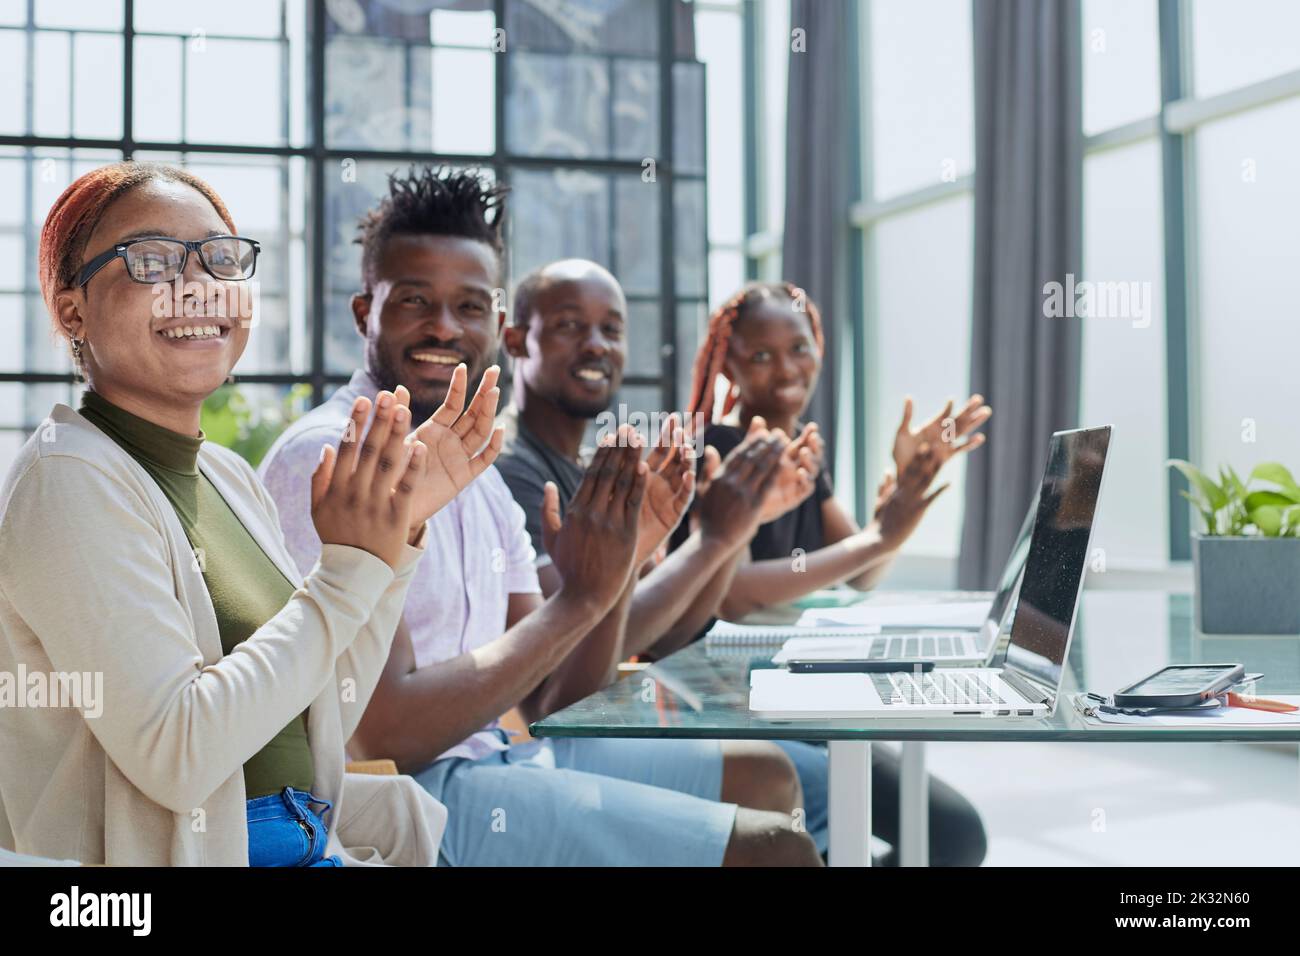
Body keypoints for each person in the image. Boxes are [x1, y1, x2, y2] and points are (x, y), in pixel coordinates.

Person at [258, 166, 821, 866]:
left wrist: (614, 570)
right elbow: (386, 736)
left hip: (500, 753)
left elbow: (559, 699)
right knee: (773, 850)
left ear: (495, 325)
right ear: (361, 313)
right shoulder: (331, 455)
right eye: (412, 302)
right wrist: (587, 595)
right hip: (396, 797)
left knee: (765, 774)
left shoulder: (482, 476)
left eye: (467, 306)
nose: (443, 326)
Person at [0, 161, 503, 866]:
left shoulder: (228, 476)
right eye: (151, 261)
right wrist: (345, 576)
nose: (196, 287)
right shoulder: (67, 479)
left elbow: (322, 718)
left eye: (220, 260)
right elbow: (179, 753)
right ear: (71, 309)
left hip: (306, 837)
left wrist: (390, 545)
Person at [499, 267, 987, 865]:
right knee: (940, 831)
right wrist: (733, 536)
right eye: (760, 355)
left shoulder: (784, 453)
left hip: (760, 682)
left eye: (798, 350)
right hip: (721, 693)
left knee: (930, 828)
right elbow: (714, 607)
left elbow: (660, 618)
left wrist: (897, 506)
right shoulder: (718, 450)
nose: (785, 369)